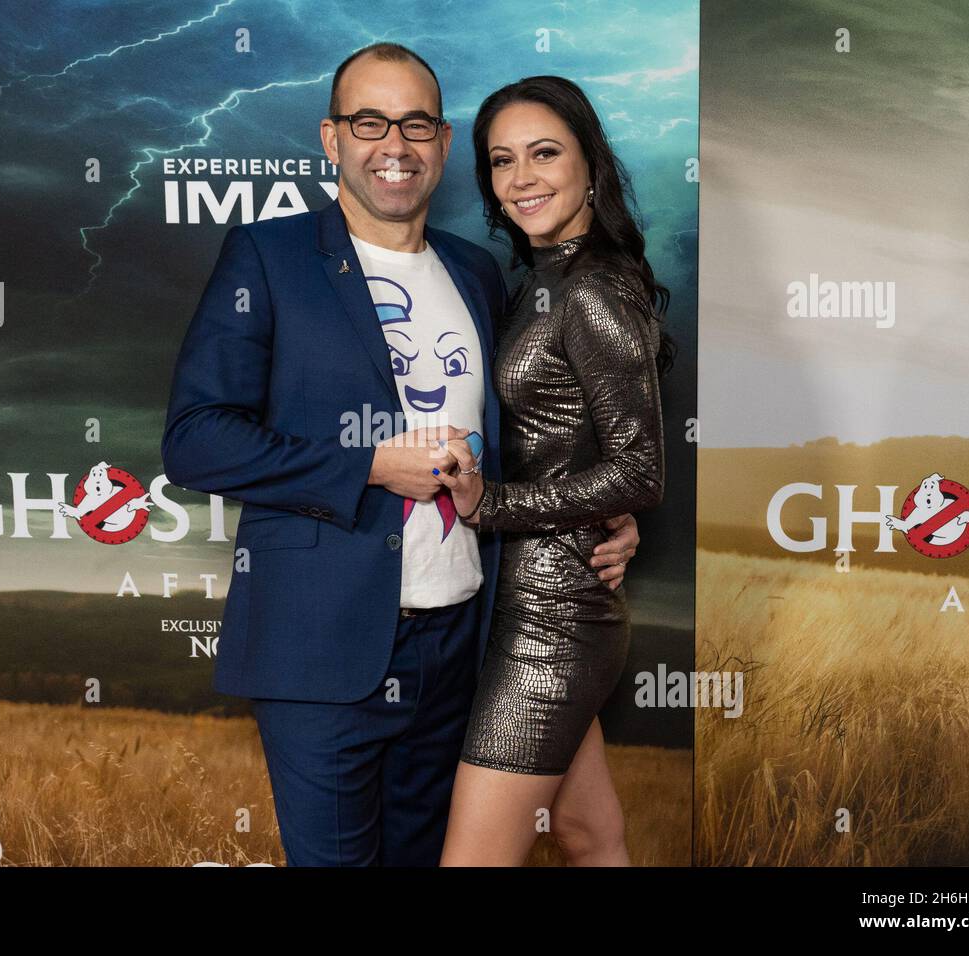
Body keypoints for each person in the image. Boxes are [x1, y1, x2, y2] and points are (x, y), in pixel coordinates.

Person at [161, 44, 642, 866]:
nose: (395, 144)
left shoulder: (477, 270)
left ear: (445, 143)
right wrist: (369, 467)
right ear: (331, 138)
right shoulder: (268, 257)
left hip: (461, 640)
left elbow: (517, 437)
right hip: (323, 648)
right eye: (370, 122)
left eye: (416, 123)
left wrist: (604, 504)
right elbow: (196, 439)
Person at [433, 76, 673, 866]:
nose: (521, 178)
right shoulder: (541, 283)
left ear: (591, 166)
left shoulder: (594, 287)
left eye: (544, 153)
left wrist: (488, 502)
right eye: (502, 161)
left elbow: (639, 470)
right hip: (530, 594)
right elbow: (578, 451)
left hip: (552, 619)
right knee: (590, 839)